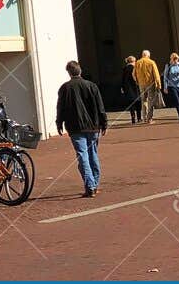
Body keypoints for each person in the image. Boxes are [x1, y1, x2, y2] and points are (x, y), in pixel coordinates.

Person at [55, 60, 108, 197]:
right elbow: (100, 106)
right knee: (93, 155)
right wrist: (104, 123)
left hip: (75, 127)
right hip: (93, 126)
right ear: (80, 71)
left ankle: (90, 185)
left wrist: (59, 122)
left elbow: (60, 108)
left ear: (69, 72)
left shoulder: (65, 88)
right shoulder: (91, 86)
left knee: (82, 155)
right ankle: (94, 184)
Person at [133, 49, 163, 124]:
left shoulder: (137, 63)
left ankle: (144, 118)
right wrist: (159, 84)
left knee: (143, 101)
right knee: (150, 100)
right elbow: (156, 74)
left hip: (141, 84)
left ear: (142, 55)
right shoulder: (151, 62)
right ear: (148, 55)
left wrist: (137, 81)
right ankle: (149, 119)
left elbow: (133, 74)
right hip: (150, 84)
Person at [163, 52, 179, 121]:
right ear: (171, 59)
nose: (175, 61)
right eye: (174, 59)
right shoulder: (168, 66)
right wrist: (165, 87)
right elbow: (165, 77)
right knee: (177, 101)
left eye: (176, 59)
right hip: (172, 86)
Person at [120, 55, 142, 124]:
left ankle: (133, 118)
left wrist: (122, 88)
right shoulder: (135, 68)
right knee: (138, 103)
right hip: (135, 87)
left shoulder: (124, 69)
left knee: (131, 104)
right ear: (133, 61)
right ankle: (139, 118)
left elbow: (122, 80)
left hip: (128, 89)